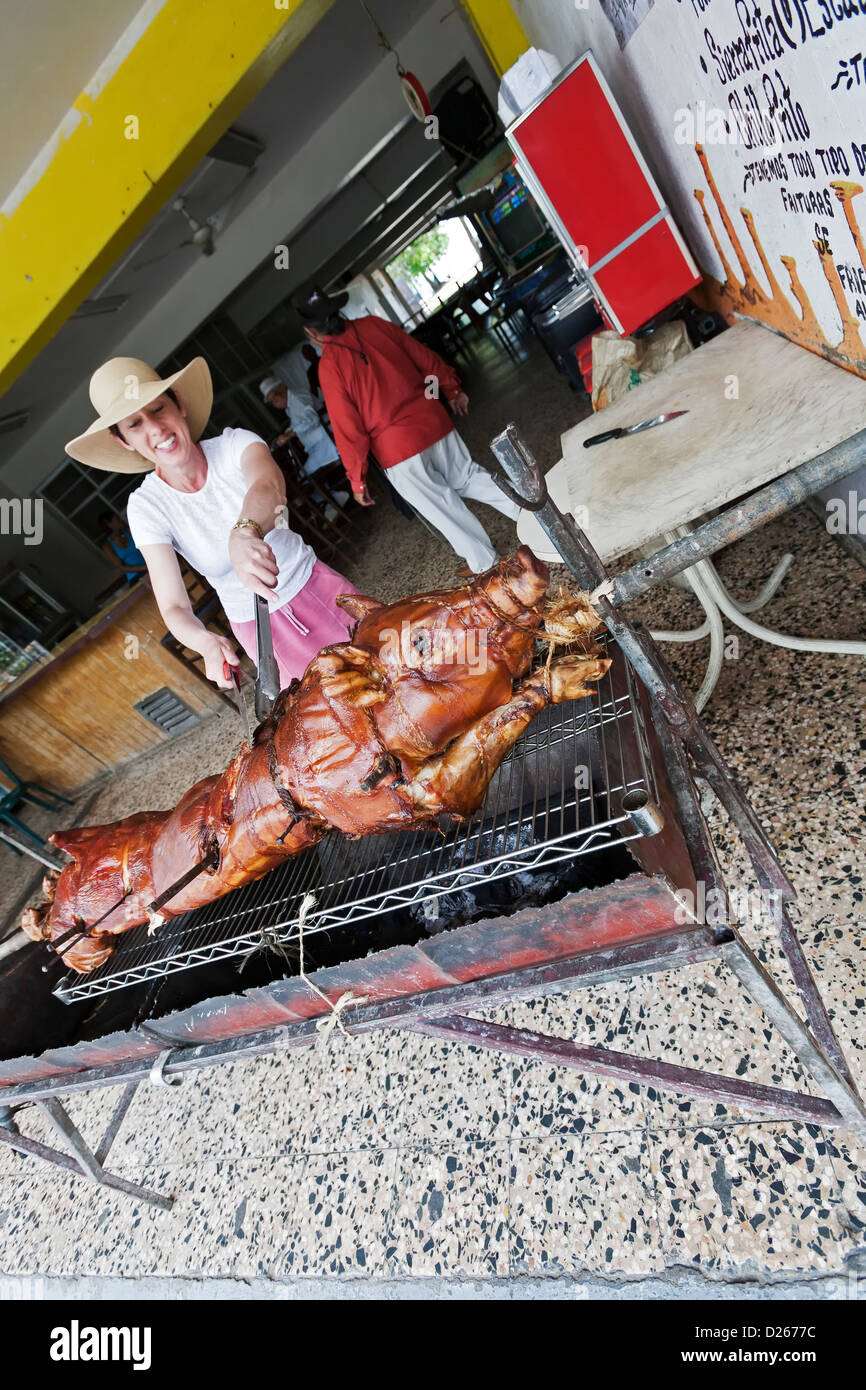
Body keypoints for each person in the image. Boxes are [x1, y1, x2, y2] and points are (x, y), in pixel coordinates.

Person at [65, 356, 358, 691]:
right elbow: (174, 606)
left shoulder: (235, 444)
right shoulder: (147, 507)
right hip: (260, 632)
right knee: (335, 724)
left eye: (158, 408)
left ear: (179, 404)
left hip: (315, 589)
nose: (155, 428)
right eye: (134, 423)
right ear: (123, 441)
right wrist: (202, 642)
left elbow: (270, 485)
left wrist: (244, 531)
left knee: (394, 681)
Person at [295, 286, 519, 574]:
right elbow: (424, 358)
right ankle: (529, 513)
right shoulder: (375, 325)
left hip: (398, 449)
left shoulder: (329, 366)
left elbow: (348, 429)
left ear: (311, 332)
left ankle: (484, 562)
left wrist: (357, 481)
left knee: (440, 505)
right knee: (469, 476)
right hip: (432, 420)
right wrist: (451, 388)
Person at [258, 375, 338, 477]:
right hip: (319, 444)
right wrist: (281, 439)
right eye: (272, 401)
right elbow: (296, 425)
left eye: (275, 395)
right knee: (303, 473)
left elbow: (312, 418)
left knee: (304, 475)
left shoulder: (297, 397)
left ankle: (333, 492)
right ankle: (335, 493)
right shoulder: (290, 407)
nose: (275, 401)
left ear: (282, 387)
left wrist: (290, 434)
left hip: (328, 439)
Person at [98, 510, 147, 583]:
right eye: (117, 518)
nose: (120, 519)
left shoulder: (128, 531)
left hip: (149, 568)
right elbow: (121, 567)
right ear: (108, 524)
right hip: (135, 577)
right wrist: (145, 567)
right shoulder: (107, 545)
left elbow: (145, 545)